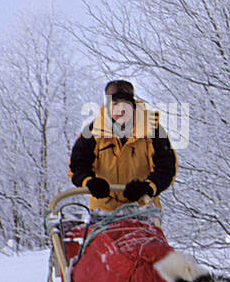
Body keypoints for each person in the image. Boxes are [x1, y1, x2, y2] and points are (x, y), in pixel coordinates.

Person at [69, 80, 177, 212]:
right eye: (115, 104)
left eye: (125, 104)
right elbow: (77, 165)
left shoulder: (153, 131)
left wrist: (148, 187)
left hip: (141, 208)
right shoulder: (92, 131)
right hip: (103, 211)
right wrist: (89, 182)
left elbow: (167, 168)